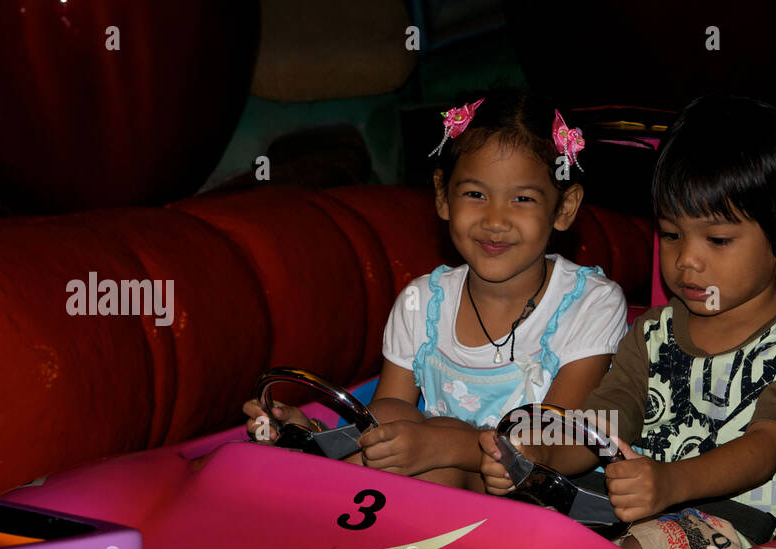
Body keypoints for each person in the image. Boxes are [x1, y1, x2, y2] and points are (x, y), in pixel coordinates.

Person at [480, 94, 776, 549]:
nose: (687, 259)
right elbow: (603, 427)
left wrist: (670, 481)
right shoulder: (653, 333)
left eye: (717, 239)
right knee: (518, 531)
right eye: (672, 234)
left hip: (751, 532)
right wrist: (541, 456)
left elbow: (765, 447)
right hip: (643, 508)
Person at [244, 90, 628, 489]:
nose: (495, 220)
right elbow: (386, 419)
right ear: (443, 196)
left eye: (522, 199)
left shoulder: (590, 303)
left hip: (544, 496)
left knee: (435, 462)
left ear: (563, 208)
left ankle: (310, 490)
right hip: (441, 484)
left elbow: (557, 440)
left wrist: (443, 444)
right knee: (394, 420)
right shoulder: (421, 302)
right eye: (475, 195)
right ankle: (308, 465)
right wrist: (319, 436)